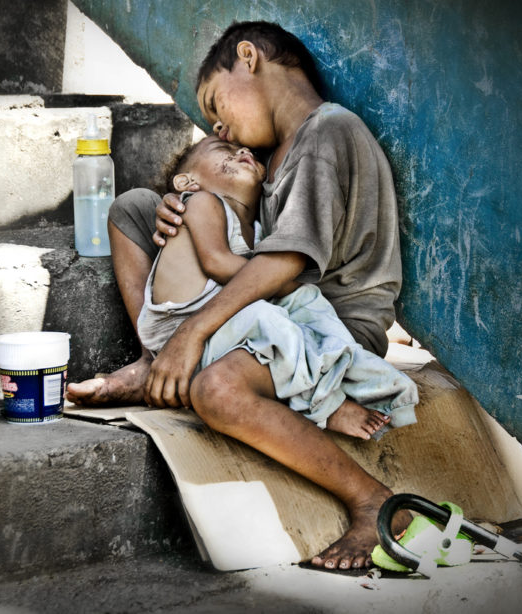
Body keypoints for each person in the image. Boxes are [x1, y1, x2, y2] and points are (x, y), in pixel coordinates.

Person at [68, 20, 412, 570]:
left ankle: (373, 503)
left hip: (330, 329)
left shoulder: (325, 135)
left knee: (217, 391)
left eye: (214, 103)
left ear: (248, 58)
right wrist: (180, 214)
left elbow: (285, 263)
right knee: (132, 208)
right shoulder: (271, 154)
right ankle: (157, 358)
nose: (218, 126)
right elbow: (234, 249)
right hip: (265, 315)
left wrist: (192, 331)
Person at [137, 134, 417, 439]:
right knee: (270, 318)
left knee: (307, 305)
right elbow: (217, 262)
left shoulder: (258, 230)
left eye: (242, 149)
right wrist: (281, 283)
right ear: (187, 182)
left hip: (218, 336)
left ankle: (360, 373)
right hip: (177, 340)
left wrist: (289, 290)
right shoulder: (202, 202)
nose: (241, 151)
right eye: (222, 150)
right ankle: (328, 406)